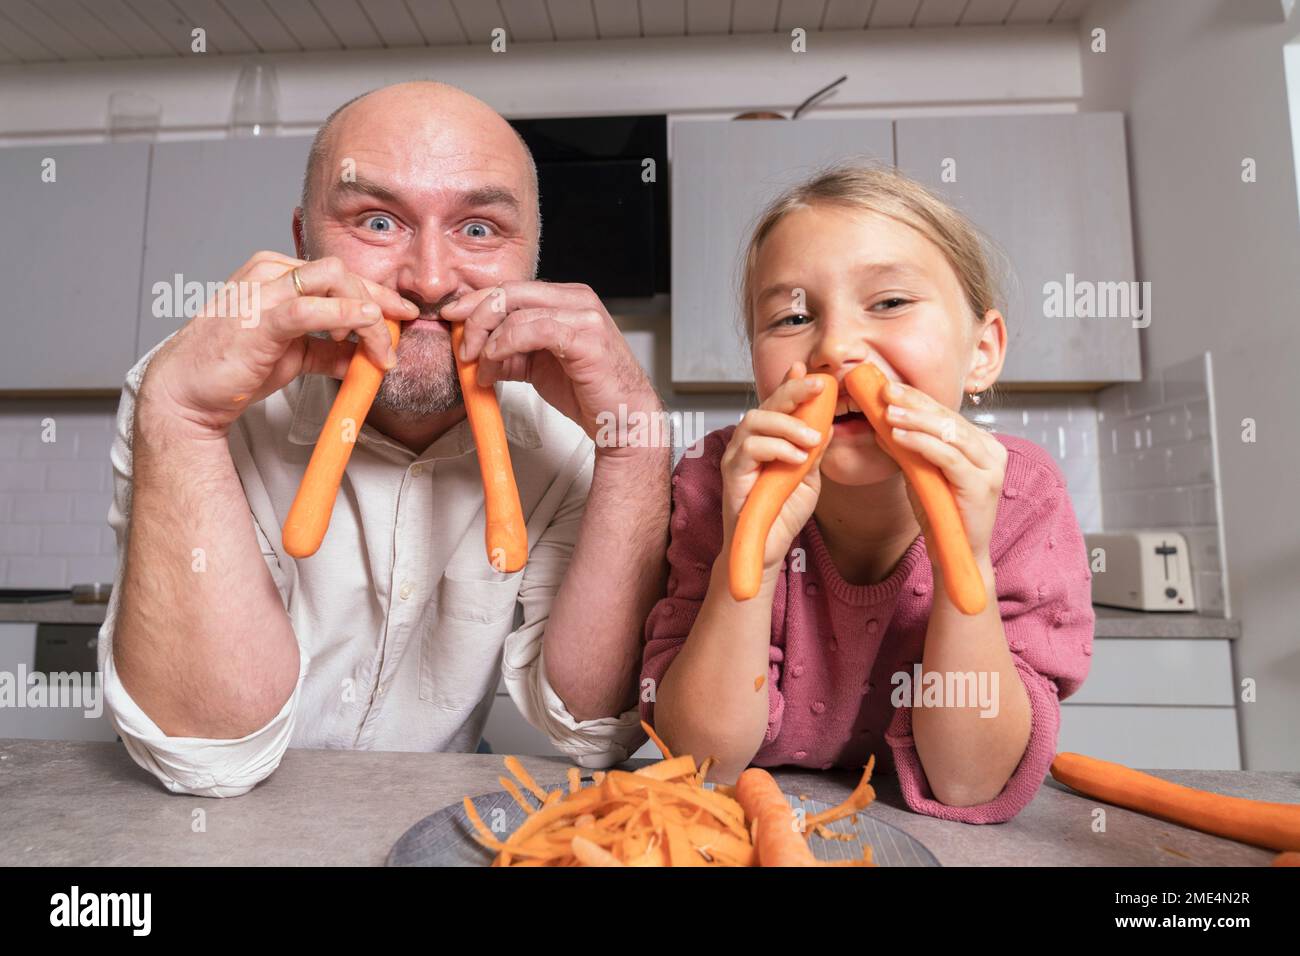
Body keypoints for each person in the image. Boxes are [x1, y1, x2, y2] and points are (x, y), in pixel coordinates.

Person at [99, 81, 669, 797]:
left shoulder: (578, 434)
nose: (429, 280)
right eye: (376, 222)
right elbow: (209, 756)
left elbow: (594, 732)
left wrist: (638, 449)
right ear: (304, 243)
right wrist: (179, 418)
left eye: (479, 229)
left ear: (530, 262)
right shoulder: (188, 392)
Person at [640, 164, 1094, 823]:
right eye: (793, 316)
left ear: (982, 351)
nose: (836, 347)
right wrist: (752, 554)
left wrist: (962, 556)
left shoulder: (1024, 493)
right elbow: (700, 764)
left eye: (889, 302)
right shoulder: (716, 478)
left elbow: (968, 782)